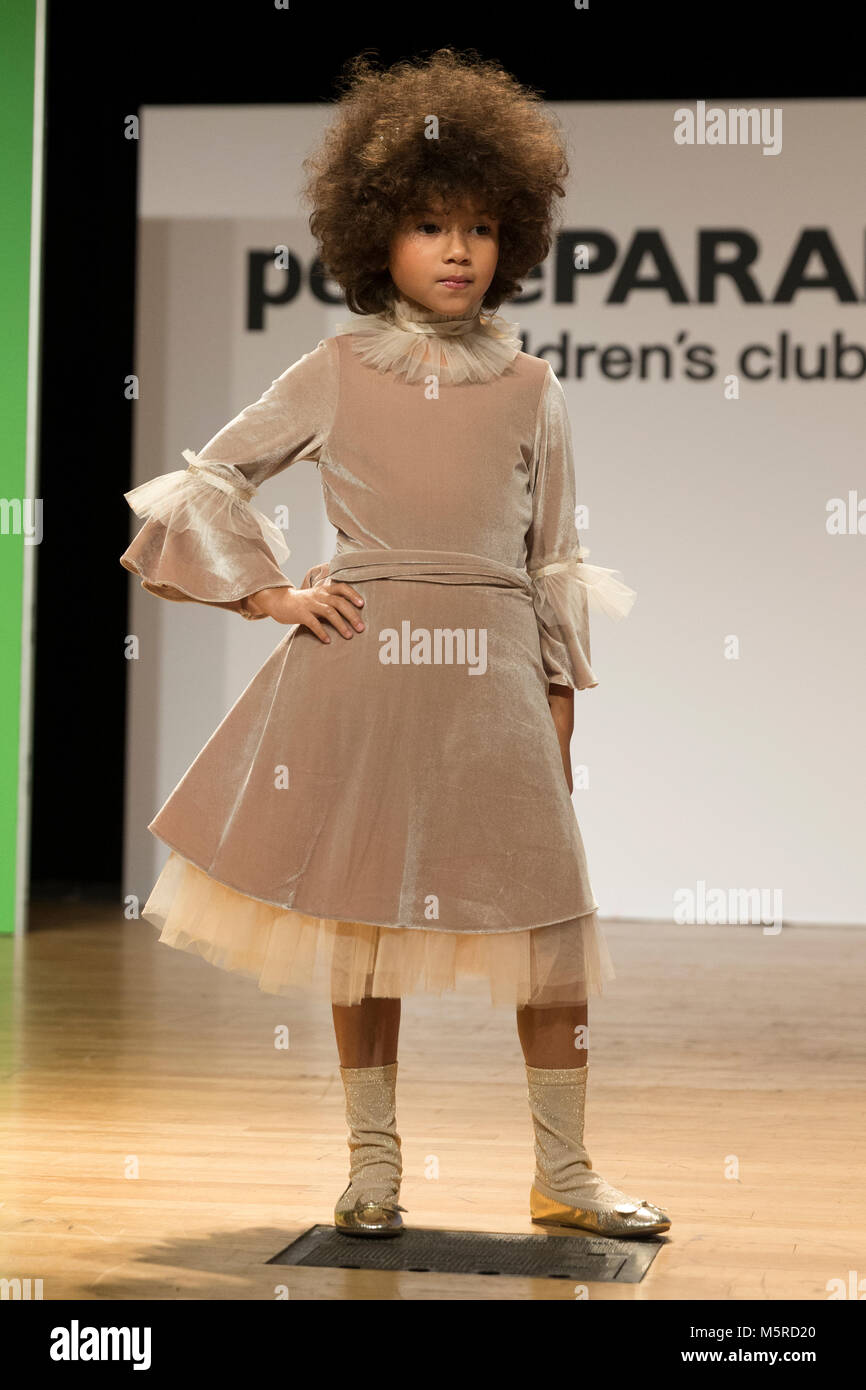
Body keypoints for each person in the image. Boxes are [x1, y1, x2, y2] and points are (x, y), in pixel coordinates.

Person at [120, 48, 670, 1241]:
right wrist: (268, 597)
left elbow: (551, 556)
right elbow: (209, 480)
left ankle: (563, 1174)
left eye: (478, 225)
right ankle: (372, 1167)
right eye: (429, 224)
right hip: (363, 671)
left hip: (493, 683)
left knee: (549, 934)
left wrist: (560, 697)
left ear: (511, 238)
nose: (457, 248)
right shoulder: (331, 369)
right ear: (379, 236)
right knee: (360, 921)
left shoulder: (530, 386)